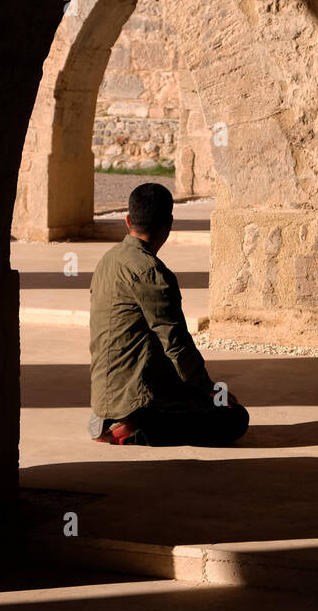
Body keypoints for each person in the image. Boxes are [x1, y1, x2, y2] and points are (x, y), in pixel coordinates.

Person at [86, 183, 249, 446]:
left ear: (128, 220)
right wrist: (209, 389)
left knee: (197, 398)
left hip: (105, 395)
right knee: (236, 419)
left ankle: (121, 419)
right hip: (133, 400)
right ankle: (134, 427)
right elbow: (176, 345)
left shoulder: (107, 260)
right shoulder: (152, 273)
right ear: (168, 225)